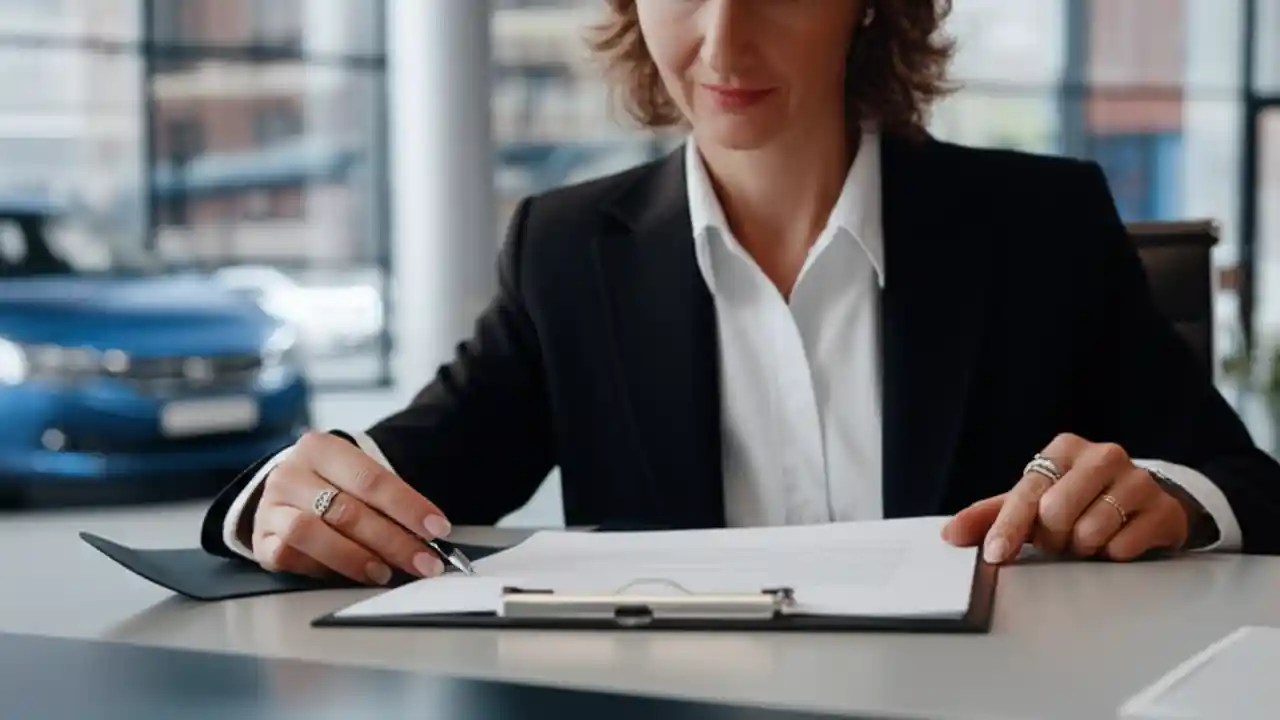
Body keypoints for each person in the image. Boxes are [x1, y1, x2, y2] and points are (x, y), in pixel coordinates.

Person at [201, 0, 1280, 585]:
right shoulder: (568, 248)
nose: (720, 40)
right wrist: (280, 502)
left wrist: (1171, 500)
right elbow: (397, 486)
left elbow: (1247, 484)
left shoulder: (1038, 222)